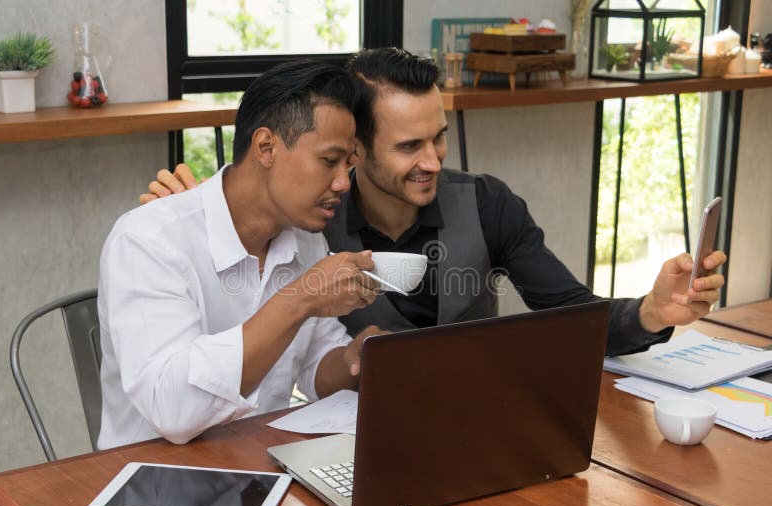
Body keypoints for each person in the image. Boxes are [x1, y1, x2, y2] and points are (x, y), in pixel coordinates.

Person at [142, 48, 727, 356]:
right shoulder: (310, 220)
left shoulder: (488, 204)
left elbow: (569, 315)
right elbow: (238, 275)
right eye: (408, 145)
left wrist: (649, 313)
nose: (433, 160)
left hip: (476, 426)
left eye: (439, 136)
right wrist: (198, 211)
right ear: (356, 149)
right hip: (351, 437)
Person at [98, 60, 383, 450]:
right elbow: (172, 412)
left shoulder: (305, 239)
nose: (341, 183)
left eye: (347, 165)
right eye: (329, 161)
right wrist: (301, 298)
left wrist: (355, 358)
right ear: (266, 147)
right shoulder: (149, 240)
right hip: (152, 477)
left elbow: (315, 365)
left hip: (257, 466)